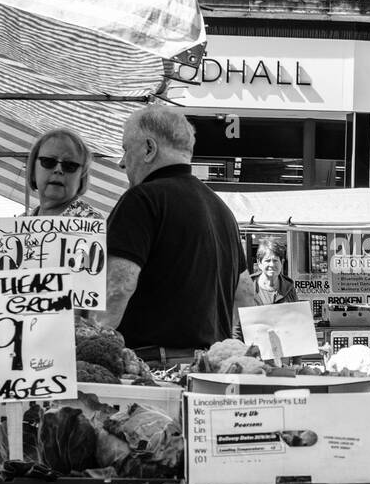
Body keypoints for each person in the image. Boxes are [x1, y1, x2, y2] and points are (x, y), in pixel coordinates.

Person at [100, 105, 254, 365]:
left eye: (126, 148)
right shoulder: (222, 210)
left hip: (150, 366)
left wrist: (87, 345)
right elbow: (246, 292)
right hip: (208, 368)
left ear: (149, 149)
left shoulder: (141, 200)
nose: (122, 161)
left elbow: (119, 286)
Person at [26, 128, 100, 218]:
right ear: (33, 170)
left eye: (70, 165)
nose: (58, 170)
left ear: (81, 176)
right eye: (48, 161)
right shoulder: (20, 222)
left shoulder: (91, 221)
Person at [250, 238, 299, 305]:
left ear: (282, 262)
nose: (272, 264)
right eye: (267, 260)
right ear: (259, 263)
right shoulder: (248, 286)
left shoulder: (289, 288)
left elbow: (296, 314)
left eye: (275, 260)